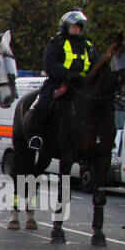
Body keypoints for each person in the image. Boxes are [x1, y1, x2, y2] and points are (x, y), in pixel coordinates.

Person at [26, 10, 94, 152]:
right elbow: (49, 64)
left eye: (79, 26)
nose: (77, 29)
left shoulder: (89, 46)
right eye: (74, 26)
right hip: (59, 82)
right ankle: (35, 136)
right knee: (43, 104)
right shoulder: (56, 43)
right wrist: (67, 74)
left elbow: (96, 64)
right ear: (65, 27)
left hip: (82, 84)